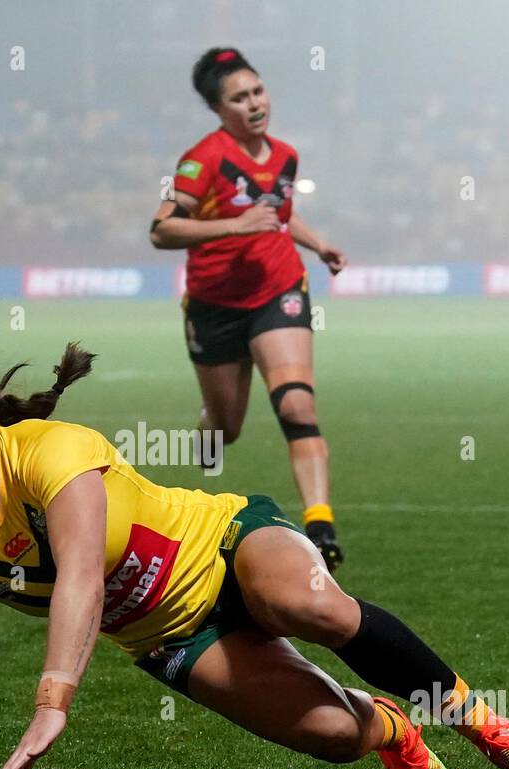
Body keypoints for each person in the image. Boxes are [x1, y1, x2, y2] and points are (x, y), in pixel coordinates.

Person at [0, 343, 509, 769]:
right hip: (171, 640)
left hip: (225, 543)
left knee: (313, 606)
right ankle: (396, 733)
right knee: (336, 739)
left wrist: (53, 702)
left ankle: (484, 725)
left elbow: (81, 573)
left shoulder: (51, 450)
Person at [150, 46, 347, 570]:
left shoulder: (285, 155)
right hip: (214, 306)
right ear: (219, 110)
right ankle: (209, 423)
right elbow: (162, 229)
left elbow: (280, 214)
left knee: (295, 404)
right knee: (226, 427)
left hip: (277, 290)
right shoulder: (202, 160)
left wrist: (317, 244)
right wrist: (234, 226)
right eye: (239, 97)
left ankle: (320, 525)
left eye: (257, 91)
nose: (254, 103)